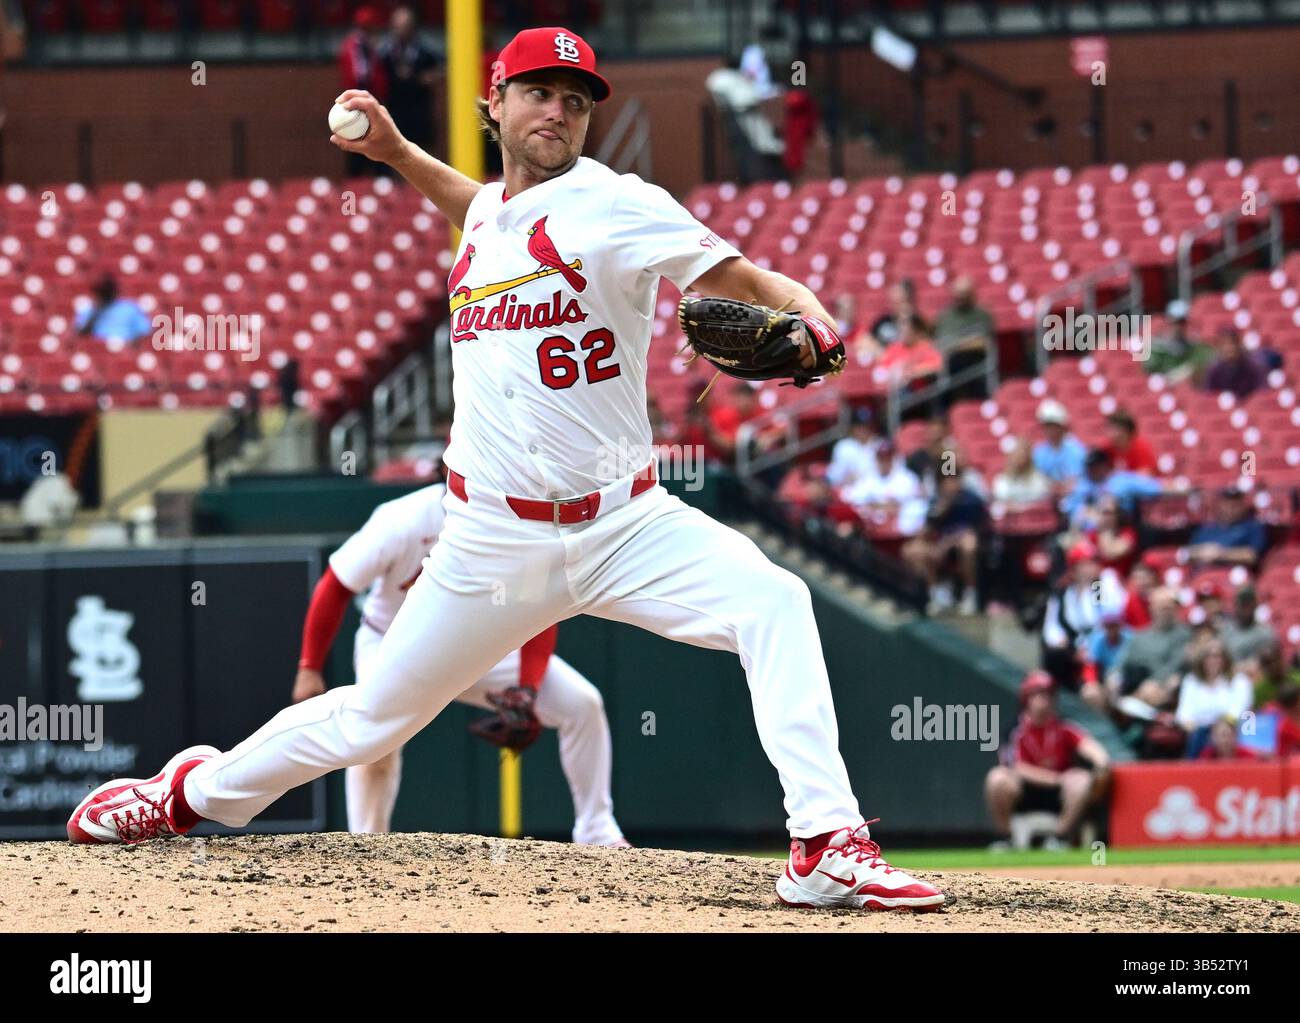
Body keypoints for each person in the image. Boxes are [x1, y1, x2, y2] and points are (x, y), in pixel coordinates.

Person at [67, 27, 945, 913]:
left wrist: (818, 325)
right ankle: (185, 793)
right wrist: (396, 150)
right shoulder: (489, 215)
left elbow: (747, 279)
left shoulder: (620, 202)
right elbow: (478, 204)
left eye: (576, 98)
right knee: (373, 719)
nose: (559, 109)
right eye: (538, 91)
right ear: (495, 103)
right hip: (488, 536)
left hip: (624, 523)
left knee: (776, 601)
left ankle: (826, 842)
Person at [291, 483, 626, 844]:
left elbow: (537, 609)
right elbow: (336, 585)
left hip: (474, 647)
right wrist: (310, 665)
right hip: (392, 644)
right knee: (374, 736)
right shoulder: (403, 519)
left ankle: (597, 829)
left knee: (581, 704)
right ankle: (367, 843)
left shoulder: (520, 524)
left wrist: (527, 689)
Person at [984, 671, 1111, 851]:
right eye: (1037, 696)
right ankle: (1006, 838)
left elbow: (1089, 746)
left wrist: (1102, 763)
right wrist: (1056, 779)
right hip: (1025, 792)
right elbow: (1015, 767)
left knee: (1081, 779)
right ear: (1026, 699)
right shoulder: (1014, 730)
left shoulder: (1063, 727)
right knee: (997, 778)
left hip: (1058, 796)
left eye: (1048, 696)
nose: (1043, 701)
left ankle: (1059, 839)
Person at [1041, 541, 1125, 690]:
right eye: (1084, 564)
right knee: (1054, 655)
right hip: (1072, 647)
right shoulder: (1064, 592)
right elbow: (1052, 626)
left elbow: (1105, 618)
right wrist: (1060, 640)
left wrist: (1087, 646)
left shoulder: (1099, 586)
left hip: (1099, 644)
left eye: (1093, 563)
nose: (1090, 568)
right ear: (1074, 568)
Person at [902, 470, 986, 615]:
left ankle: (970, 594)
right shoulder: (936, 501)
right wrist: (940, 511)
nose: (950, 484)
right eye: (946, 480)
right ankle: (936, 594)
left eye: (953, 479)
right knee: (913, 550)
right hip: (939, 546)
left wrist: (947, 543)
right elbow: (927, 531)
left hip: (962, 545)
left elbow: (976, 530)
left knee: (968, 544)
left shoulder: (970, 500)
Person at [1174, 640, 1254, 758]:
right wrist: (1190, 725)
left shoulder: (1239, 681)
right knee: (1199, 736)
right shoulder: (1191, 681)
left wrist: (1220, 725)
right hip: (1199, 730)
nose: (1212, 661)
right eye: (1208, 656)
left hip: (1231, 728)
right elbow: (1183, 713)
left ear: (1225, 659)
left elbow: (1242, 709)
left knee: (1221, 735)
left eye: (1217, 656)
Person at [380, 6, 440, 155]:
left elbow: (439, 71)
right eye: (397, 26)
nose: (401, 30)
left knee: (421, 154)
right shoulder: (386, 53)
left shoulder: (425, 51)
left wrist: (424, 78)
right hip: (395, 110)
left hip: (419, 111)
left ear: (413, 27)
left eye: (405, 26)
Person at [338, 5, 389, 177]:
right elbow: (359, 77)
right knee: (358, 160)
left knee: (381, 159)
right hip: (358, 107)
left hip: (372, 104)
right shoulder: (354, 45)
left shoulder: (370, 47)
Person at [933, 275, 994, 399]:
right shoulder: (945, 316)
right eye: (958, 294)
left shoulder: (981, 314)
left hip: (975, 360)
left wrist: (957, 344)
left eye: (964, 294)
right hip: (948, 362)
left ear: (972, 294)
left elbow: (983, 342)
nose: (960, 297)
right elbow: (940, 343)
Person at [1186, 486, 1267, 570]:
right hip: (1202, 574)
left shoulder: (1252, 526)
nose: (1230, 508)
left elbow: (1252, 555)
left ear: (1243, 506)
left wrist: (1220, 554)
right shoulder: (1206, 528)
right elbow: (1188, 553)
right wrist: (1205, 551)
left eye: (1235, 505)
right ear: (1219, 505)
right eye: (1227, 504)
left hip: (1233, 575)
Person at [1145, 300, 1215, 381]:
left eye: (1182, 322)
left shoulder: (1193, 347)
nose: (1179, 326)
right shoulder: (1156, 348)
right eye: (1176, 322)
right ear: (1168, 321)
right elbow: (1150, 377)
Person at [1032, 400, 1086, 499]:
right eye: (1047, 426)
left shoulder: (1075, 450)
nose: (1049, 430)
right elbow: (1037, 478)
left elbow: (1075, 480)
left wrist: (1060, 489)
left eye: (1053, 426)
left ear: (1062, 426)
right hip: (1047, 497)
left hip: (1070, 497)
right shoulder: (1039, 452)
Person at [74, 275, 151, 343]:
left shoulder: (130, 309)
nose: (104, 295)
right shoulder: (89, 311)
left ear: (113, 291)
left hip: (124, 353)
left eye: (106, 291)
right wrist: (94, 314)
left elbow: (144, 332)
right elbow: (79, 334)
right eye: (101, 292)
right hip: (97, 352)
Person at [825, 405, 881, 490]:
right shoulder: (844, 447)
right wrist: (845, 479)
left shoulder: (880, 445)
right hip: (851, 493)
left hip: (877, 491)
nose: (863, 430)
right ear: (852, 428)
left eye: (866, 426)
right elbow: (834, 477)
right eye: (859, 426)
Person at [1218, 585, 1276, 665]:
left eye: (1249, 604)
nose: (1246, 608)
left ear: (1255, 605)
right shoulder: (1226, 631)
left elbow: (1267, 662)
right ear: (1235, 605)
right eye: (1242, 604)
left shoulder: (1266, 632)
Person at [1204, 328, 1268, 399]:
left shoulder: (1254, 368)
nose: (1229, 348)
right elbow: (1209, 396)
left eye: (1232, 344)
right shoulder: (1214, 371)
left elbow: (1262, 394)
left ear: (1239, 345)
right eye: (1225, 345)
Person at [1084, 495, 1138, 577]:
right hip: (1096, 580)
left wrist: (1105, 530)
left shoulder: (1127, 532)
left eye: (1109, 513)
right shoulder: (1092, 533)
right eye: (1103, 513)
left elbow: (1110, 554)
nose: (1106, 517)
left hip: (1119, 580)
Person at [992, 438, 1051, 505]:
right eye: (1015, 454)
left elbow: (1040, 504)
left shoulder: (1040, 479)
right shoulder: (1001, 480)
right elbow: (1000, 504)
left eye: (1022, 454)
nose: (1019, 457)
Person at [1100, 410, 1157, 474]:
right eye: (1109, 428)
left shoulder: (1141, 447)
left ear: (1126, 431)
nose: (1110, 433)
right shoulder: (1106, 448)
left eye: (1115, 429)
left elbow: (1145, 476)